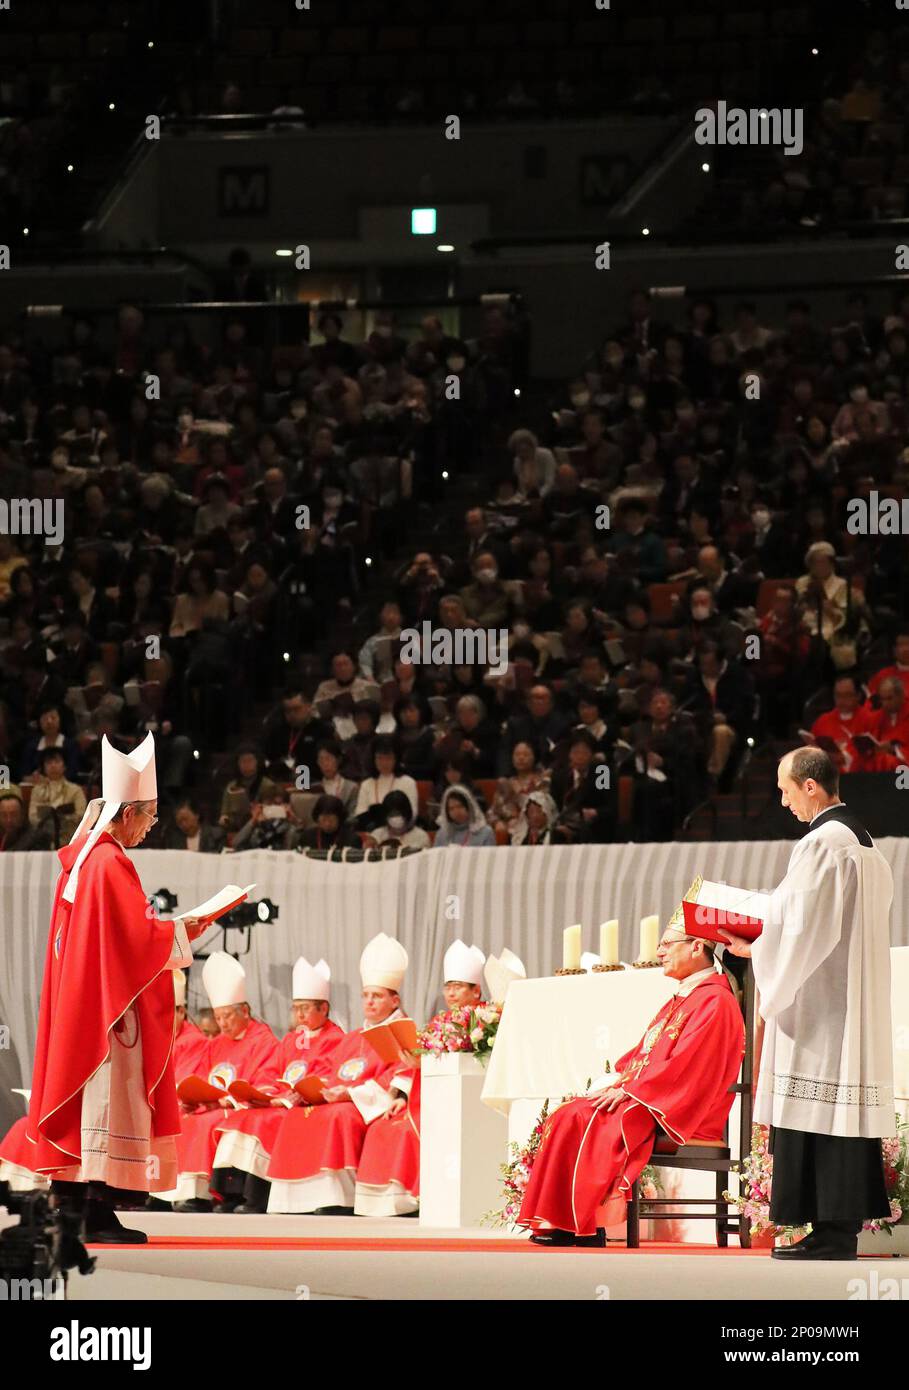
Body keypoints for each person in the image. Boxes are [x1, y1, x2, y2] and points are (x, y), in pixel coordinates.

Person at [25, 734, 205, 1243]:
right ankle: (96, 1215)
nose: (149, 829)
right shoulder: (110, 864)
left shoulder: (83, 860)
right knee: (105, 1101)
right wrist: (183, 930)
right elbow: (134, 937)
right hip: (109, 1008)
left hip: (86, 1003)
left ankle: (73, 1211)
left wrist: (167, 932)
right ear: (125, 814)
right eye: (147, 817)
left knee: (87, 1106)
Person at [719, 747, 894, 1261]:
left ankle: (830, 1236)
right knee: (841, 1120)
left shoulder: (822, 843)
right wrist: (771, 935)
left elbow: (799, 928)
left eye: (785, 788)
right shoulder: (866, 844)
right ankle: (833, 1232)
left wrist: (758, 948)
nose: (782, 799)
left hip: (821, 1007)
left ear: (811, 786)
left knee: (821, 1116)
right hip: (848, 1002)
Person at [517, 907, 745, 1245]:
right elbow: (643, 1055)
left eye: (667, 944)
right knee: (570, 1111)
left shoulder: (715, 1001)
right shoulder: (686, 997)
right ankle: (565, 1222)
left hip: (684, 1109)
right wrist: (618, 1082)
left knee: (587, 1117)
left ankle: (589, 1225)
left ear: (697, 946)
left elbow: (691, 1067)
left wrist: (635, 1091)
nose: (659, 952)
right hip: (653, 1097)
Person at [267, 934, 410, 1214]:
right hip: (344, 1099)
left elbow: (399, 1074)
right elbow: (334, 1074)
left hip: (367, 1103)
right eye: (366, 996)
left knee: (336, 1115)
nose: (369, 1002)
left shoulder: (401, 1029)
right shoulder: (354, 1036)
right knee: (300, 1114)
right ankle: (300, 1200)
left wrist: (349, 1094)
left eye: (377, 996)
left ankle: (338, 1198)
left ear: (394, 1000)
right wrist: (318, 1090)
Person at [353, 939, 487, 1217]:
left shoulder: (487, 1019)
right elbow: (418, 1062)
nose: (451, 994)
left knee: (408, 1129)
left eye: (458, 987)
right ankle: (393, 1202)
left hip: (468, 1097)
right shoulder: (439, 1023)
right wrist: (402, 1094)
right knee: (384, 1127)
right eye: (448, 987)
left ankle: (417, 1198)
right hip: (429, 1094)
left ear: (476, 991)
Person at [211, 957, 345, 1214]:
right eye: (296, 1009)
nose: (300, 1015)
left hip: (308, 1103)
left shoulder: (334, 1038)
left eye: (305, 1008)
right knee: (243, 1119)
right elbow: (272, 1072)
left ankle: (256, 1198)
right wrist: (266, 1095)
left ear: (324, 1008)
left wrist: (288, 1098)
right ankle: (230, 1195)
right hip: (280, 1101)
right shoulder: (291, 1039)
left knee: (264, 1122)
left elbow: (329, 1076)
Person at [164, 953, 280, 1213]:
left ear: (245, 1011)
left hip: (243, 1107)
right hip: (215, 1106)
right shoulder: (215, 1045)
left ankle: (213, 1195)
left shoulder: (263, 1040)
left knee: (209, 1123)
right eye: (218, 1017)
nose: (223, 1023)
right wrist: (195, 1099)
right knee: (190, 1119)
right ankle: (187, 1193)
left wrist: (230, 1099)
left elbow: (267, 1080)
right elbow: (201, 1079)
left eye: (228, 1016)